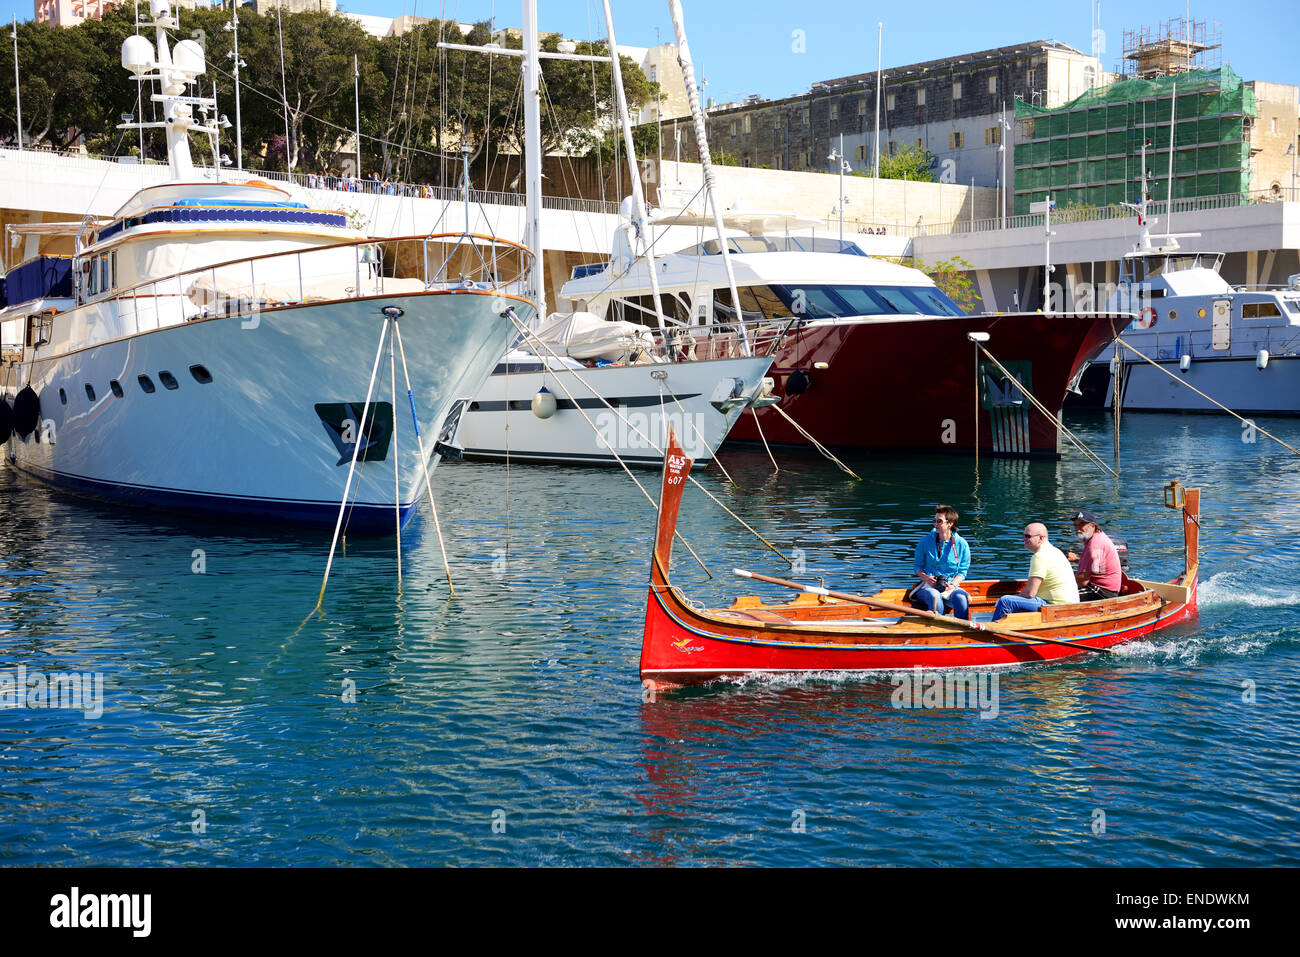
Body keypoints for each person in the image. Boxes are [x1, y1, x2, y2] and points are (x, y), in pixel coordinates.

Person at [992, 522, 1080, 621]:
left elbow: (1030, 593)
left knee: (1005, 601)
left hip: (1055, 607)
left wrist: (1014, 597)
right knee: (1013, 599)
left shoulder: (1040, 556)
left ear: (1041, 538)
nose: (1023, 539)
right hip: (1069, 605)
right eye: (1024, 535)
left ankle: (992, 634)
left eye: (1027, 536)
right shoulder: (1055, 551)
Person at [909, 504, 971, 620]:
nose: (935, 524)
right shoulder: (925, 541)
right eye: (934, 521)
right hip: (928, 586)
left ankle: (963, 632)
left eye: (939, 521)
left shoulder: (962, 544)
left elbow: (962, 571)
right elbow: (917, 567)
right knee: (935, 598)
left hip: (951, 586)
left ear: (950, 523)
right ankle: (939, 631)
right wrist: (927, 578)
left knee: (962, 598)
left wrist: (952, 585)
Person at [1066, 509, 1123, 601]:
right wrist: (1076, 560)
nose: (1077, 529)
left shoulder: (1094, 546)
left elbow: (1083, 581)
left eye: (1081, 524)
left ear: (1092, 525)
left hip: (1103, 592)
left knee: (1061, 595)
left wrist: (1060, 587)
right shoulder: (1097, 535)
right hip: (1105, 586)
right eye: (1075, 525)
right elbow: (1094, 565)